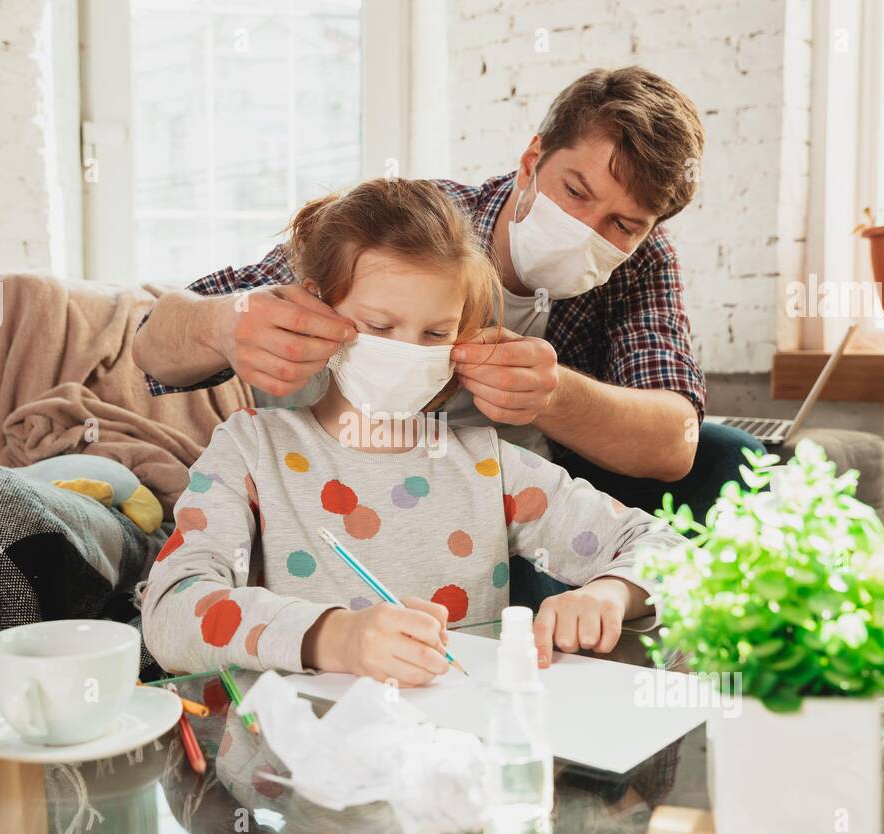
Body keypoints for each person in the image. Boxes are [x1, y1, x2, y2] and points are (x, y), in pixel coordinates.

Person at [134, 66, 760, 607]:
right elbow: (151, 343)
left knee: (735, 462)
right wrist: (225, 323)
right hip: (364, 472)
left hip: (511, 480)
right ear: (532, 160)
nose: (586, 228)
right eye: (575, 191)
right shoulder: (416, 232)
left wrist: (550, 396)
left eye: (623, 224)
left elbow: (675, 439)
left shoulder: (642, 265)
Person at [141, 179, 683, 684]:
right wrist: (335, 638)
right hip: (294, 760)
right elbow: (170, 612)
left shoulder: (489, 466)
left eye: (436, 332)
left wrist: (612, 594)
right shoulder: (252, 451)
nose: (407, 349)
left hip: (452, 754)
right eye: (379, 327)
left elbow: (673, 551)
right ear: (316, 307)